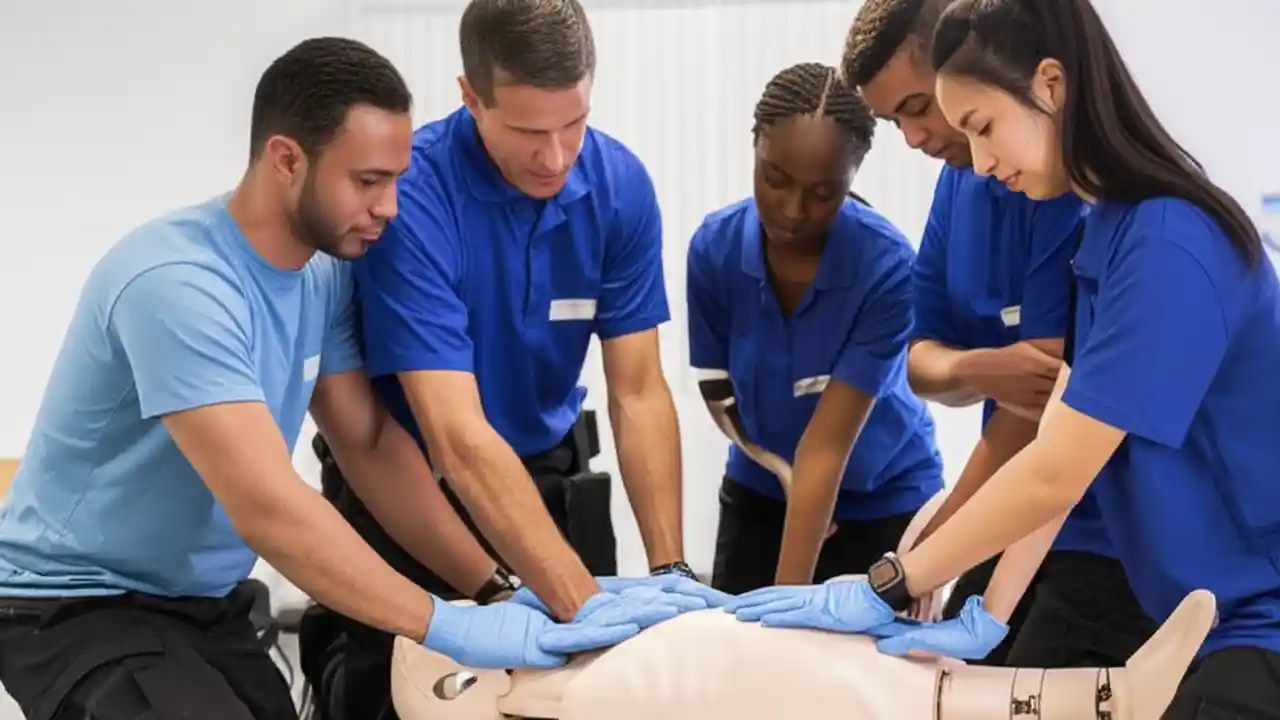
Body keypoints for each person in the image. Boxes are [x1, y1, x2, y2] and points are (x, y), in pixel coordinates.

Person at [0, 37, 695, 720]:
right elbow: (269, 506)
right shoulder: (179, 285)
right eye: (368, 182)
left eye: (394, 180)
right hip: (79, 603)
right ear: (287, 161)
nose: (391, 206)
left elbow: (370, 445)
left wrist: (495, 589)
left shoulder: (323, 277)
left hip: (204, 602)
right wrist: (444, 623)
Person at [728, 0, 1280, 715]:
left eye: (983, 127)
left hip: (1260, 619)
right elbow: (1056, 447)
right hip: (1212, 624)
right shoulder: (1108, 240)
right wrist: (988, 609)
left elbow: (1055, 474)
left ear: (1050, 84)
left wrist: (892, 580)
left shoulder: (1167, 245)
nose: (981, 163)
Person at [299, 2, 712, 717]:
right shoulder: (412, 197)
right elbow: (457, 437)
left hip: (545, 478)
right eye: (527, 132)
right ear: (471, 97)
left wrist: (670, 572)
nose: (555, 157)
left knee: (581, 695)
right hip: (416, 495)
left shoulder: (619, 186)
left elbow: (639, 391)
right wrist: (579, 605)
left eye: (573, 123)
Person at [838, 0, 1156, 667]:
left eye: (923, 109)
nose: (916, 139)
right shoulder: (978, 190)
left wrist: (915, 565)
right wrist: (974, 368)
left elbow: (1047, 441)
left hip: (1119, 542)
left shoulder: (1136, 231)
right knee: (933, 674)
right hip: (1026, 514)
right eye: (894, 122)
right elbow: (920, 360)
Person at [685, 63, 943, 595]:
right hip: (762, 488)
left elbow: (826, 447)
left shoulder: (887, 267)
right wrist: (778, 469)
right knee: (735, 640)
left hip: (885, 499)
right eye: (775, 178)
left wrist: (789, 609)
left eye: (823, 193)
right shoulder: (714, 250)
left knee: (838, 646)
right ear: (755, 146)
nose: (792, 210)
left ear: (853, 176)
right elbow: (717, 392)